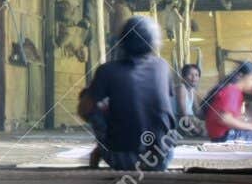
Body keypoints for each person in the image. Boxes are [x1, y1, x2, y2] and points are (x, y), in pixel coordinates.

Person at [83, 15, 176, 170]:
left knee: (93, 107)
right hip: (162, 157)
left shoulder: (106, 71)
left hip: (122, 159)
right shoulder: (163, 67)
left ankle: (102, 149)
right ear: (153, 43)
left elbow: (84, 110)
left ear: (121, 42)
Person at [202, 61, 252, 142]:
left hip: (219, 135)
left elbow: (231, 117)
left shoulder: (235, 91)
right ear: (241, 76)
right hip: (223, 136)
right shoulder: (232, 91)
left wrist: (249, 122)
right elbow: (224, 118)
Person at [174, 64, 202, 137]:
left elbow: (198, 112)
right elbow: (182, 113)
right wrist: (193, 129)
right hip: (180, 122)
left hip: (190, 120)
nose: (194, 78)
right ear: (183, 77)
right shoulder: (181, 88)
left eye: (196, 75)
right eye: (190, 74)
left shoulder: (192, 90)